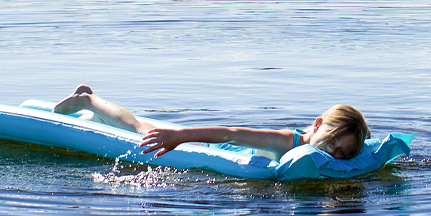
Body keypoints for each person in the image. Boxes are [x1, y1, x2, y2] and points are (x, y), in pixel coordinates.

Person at [52, 85, 371, 160]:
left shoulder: (325, 158)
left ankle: (91, 107)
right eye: (332, 141)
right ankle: (88, 99)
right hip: (209, 146)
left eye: (342, 152)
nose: (333, 152)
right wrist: (178, 136)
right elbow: (230, 133)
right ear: (317, 124)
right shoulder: (285, 140)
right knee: (139, 129)